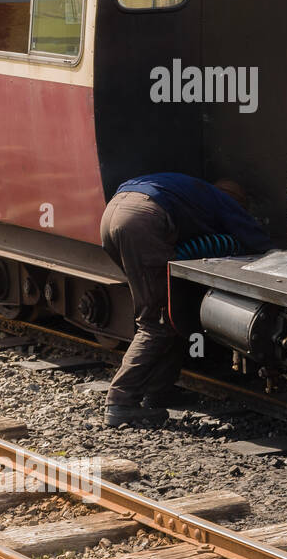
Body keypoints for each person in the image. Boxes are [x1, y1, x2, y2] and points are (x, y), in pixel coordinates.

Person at [99, 173, 271, 426]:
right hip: (143, 221)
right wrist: (277, 254)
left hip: (112, 214)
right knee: (157, 321)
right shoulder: (222, 200)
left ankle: (159, 391)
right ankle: (120, 402)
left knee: (171, 313)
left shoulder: (190, 191)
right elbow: (251, 235)